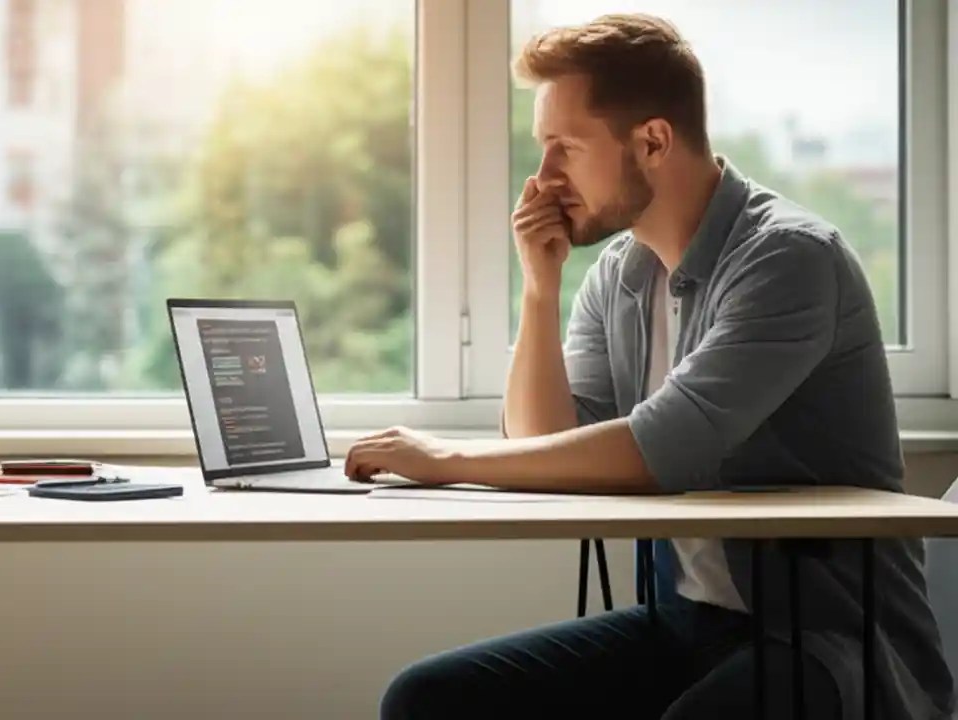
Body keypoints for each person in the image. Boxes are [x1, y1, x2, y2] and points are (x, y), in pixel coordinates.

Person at [343, 13, 955, 720]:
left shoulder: (789, 258)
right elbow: (547, 450)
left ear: (654, 141)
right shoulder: (620, 274)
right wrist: (540, 291)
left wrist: (445, 457)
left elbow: (660, 450)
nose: (542, 178)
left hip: (830, 644)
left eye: (565, 148)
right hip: (687, 624)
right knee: (429, 701)